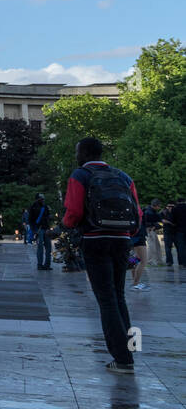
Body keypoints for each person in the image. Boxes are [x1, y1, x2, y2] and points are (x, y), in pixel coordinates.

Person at [62, 137, 141, 374]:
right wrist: (128, 233)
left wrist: (67, 225)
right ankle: (129, 351)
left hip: (95, 240)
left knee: (105, 300)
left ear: (84, 153)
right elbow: (136, 211)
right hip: (122, 239)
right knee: (118, 297)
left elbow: (74, 212)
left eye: (77, 151)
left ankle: (122, 358)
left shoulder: (80, 175)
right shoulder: (123, 176)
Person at [27, 194, 53, 270]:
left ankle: (47, 265)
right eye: (41, 199)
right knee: (40, 248)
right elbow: (30, 220)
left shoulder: (45, 207)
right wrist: (34, 230)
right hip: (39, 229)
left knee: (48, 247)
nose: (43, 200)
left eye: (43, 199)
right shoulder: (33, 207)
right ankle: (39, 265)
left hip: (46, 229)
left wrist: (50, 220)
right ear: (37, 199)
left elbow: (48, 217)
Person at [143, 199, 163, 265]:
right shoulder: (148, 212)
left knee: (156, 246)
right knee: (152, 247)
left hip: (150, 229)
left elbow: (159, 222)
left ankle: (158, 261)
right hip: (149, 230)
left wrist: (155, 225)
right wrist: (155, 225)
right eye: (159, 206)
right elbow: (146, 222)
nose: (159, 207)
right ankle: (149, 261)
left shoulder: (151, 211)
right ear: (155, 206)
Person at [170, 196, 186, 274]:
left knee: (180, 247)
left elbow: (172, 220)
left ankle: (181, 263)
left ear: (177, 202)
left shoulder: (175, 209)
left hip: (179, 230)